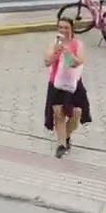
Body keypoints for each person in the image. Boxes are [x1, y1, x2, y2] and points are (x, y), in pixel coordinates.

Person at [43, 18, 92, 158]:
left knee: (76, 114)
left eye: (66, 27)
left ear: (72, 29)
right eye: (60, 27)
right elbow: (47, 62)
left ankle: (66, 136)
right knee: (58, 113)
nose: (63, 30)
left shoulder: (78, 44)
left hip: (73, 84)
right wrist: (55, 53)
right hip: (56, 84)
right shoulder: (54, 44)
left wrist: (67, 52)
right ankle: (61, 144)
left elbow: (77, 63)